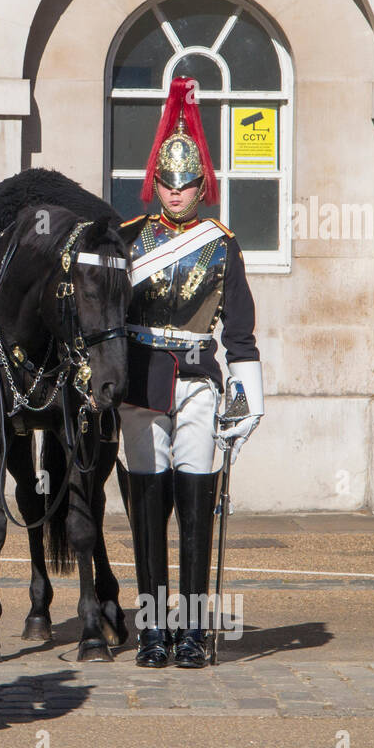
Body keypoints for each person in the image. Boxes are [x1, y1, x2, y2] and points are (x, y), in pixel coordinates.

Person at [118, 76, 264, 669]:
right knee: (148, 504)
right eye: (168, 185)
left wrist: (249, 396)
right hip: (141, 377)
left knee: (197, 500)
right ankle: (152, 628)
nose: (175, 196)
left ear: (202, 186)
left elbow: (240, 329)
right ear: (156, 184)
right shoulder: (128, 240)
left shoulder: (222, 246)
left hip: (199, 377)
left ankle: (195, 628)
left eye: (186, 186)